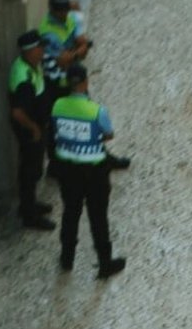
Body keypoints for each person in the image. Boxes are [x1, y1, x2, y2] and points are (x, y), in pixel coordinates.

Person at [51, 64, 124, 276]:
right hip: (95, 172)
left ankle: (67, 258)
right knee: (98, 217)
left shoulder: (57, 106)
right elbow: (108, 134)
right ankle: (104, 263)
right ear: (85, 83)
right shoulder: (97, 111)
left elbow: (55, 130)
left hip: (67, 169)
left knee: (70, 212)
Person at [8, 31, 55, 228]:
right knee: (30, 171)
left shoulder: (31, 65)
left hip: (37, 126)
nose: (43, 50)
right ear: (30, 51)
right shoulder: (24, 79)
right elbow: (18, 112)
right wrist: (34, 128)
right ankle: (29, 215)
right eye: (40, 47)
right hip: (30, 131)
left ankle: (30, 204)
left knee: (33, 169)